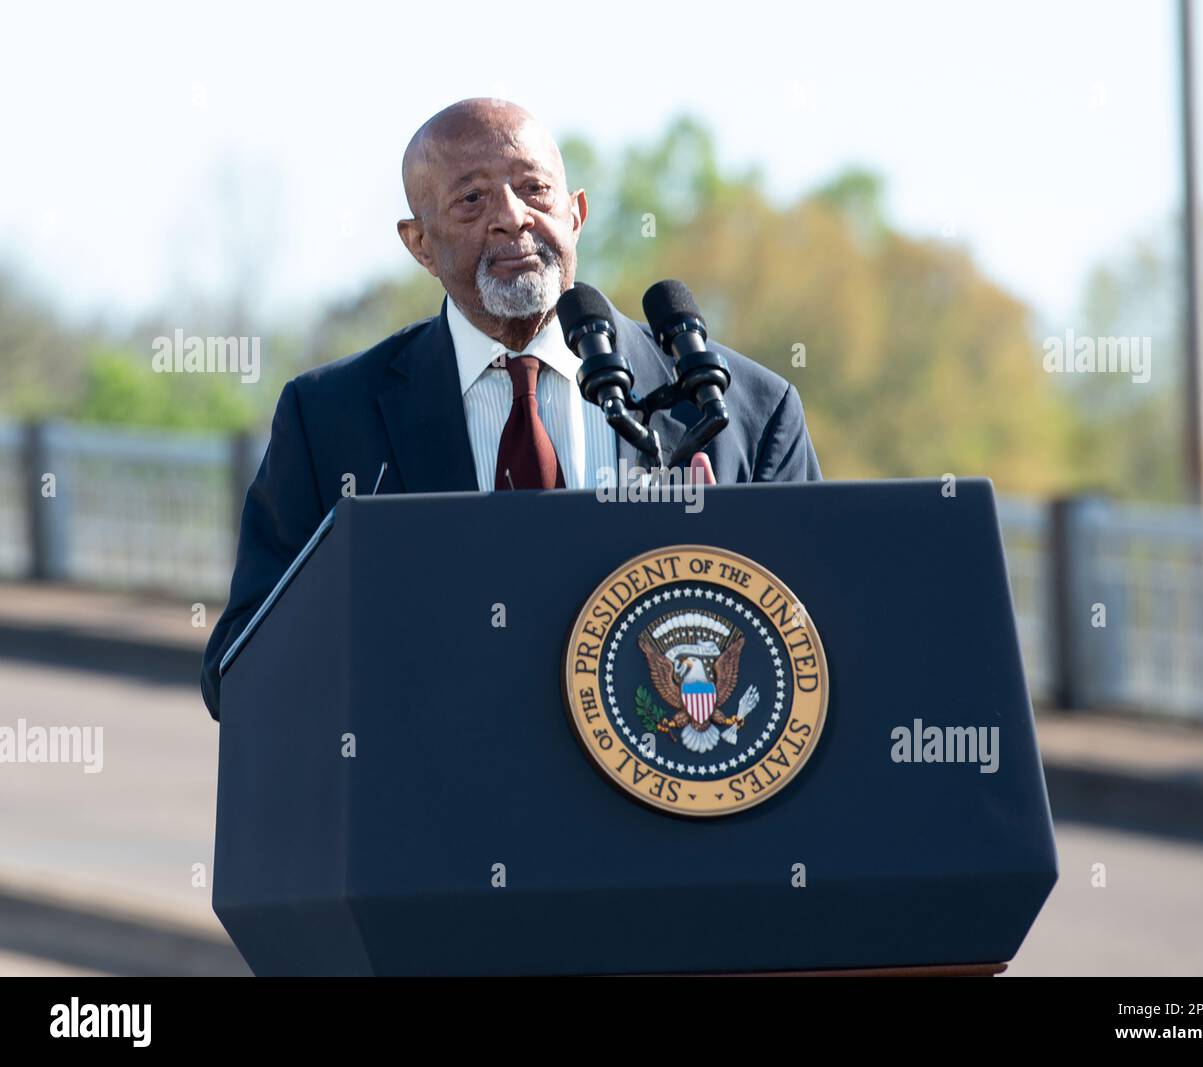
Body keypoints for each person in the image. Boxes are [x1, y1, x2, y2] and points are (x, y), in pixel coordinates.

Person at [200, 98, 821, 720]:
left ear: (576, 214)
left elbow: (817, 650)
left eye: (534, 189)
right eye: (471, 199)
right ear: (418, 242)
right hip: (436, 799)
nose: (512, 218)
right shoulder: (330, 418)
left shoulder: (745, 410)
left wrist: (709, 575)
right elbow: (240, 670)